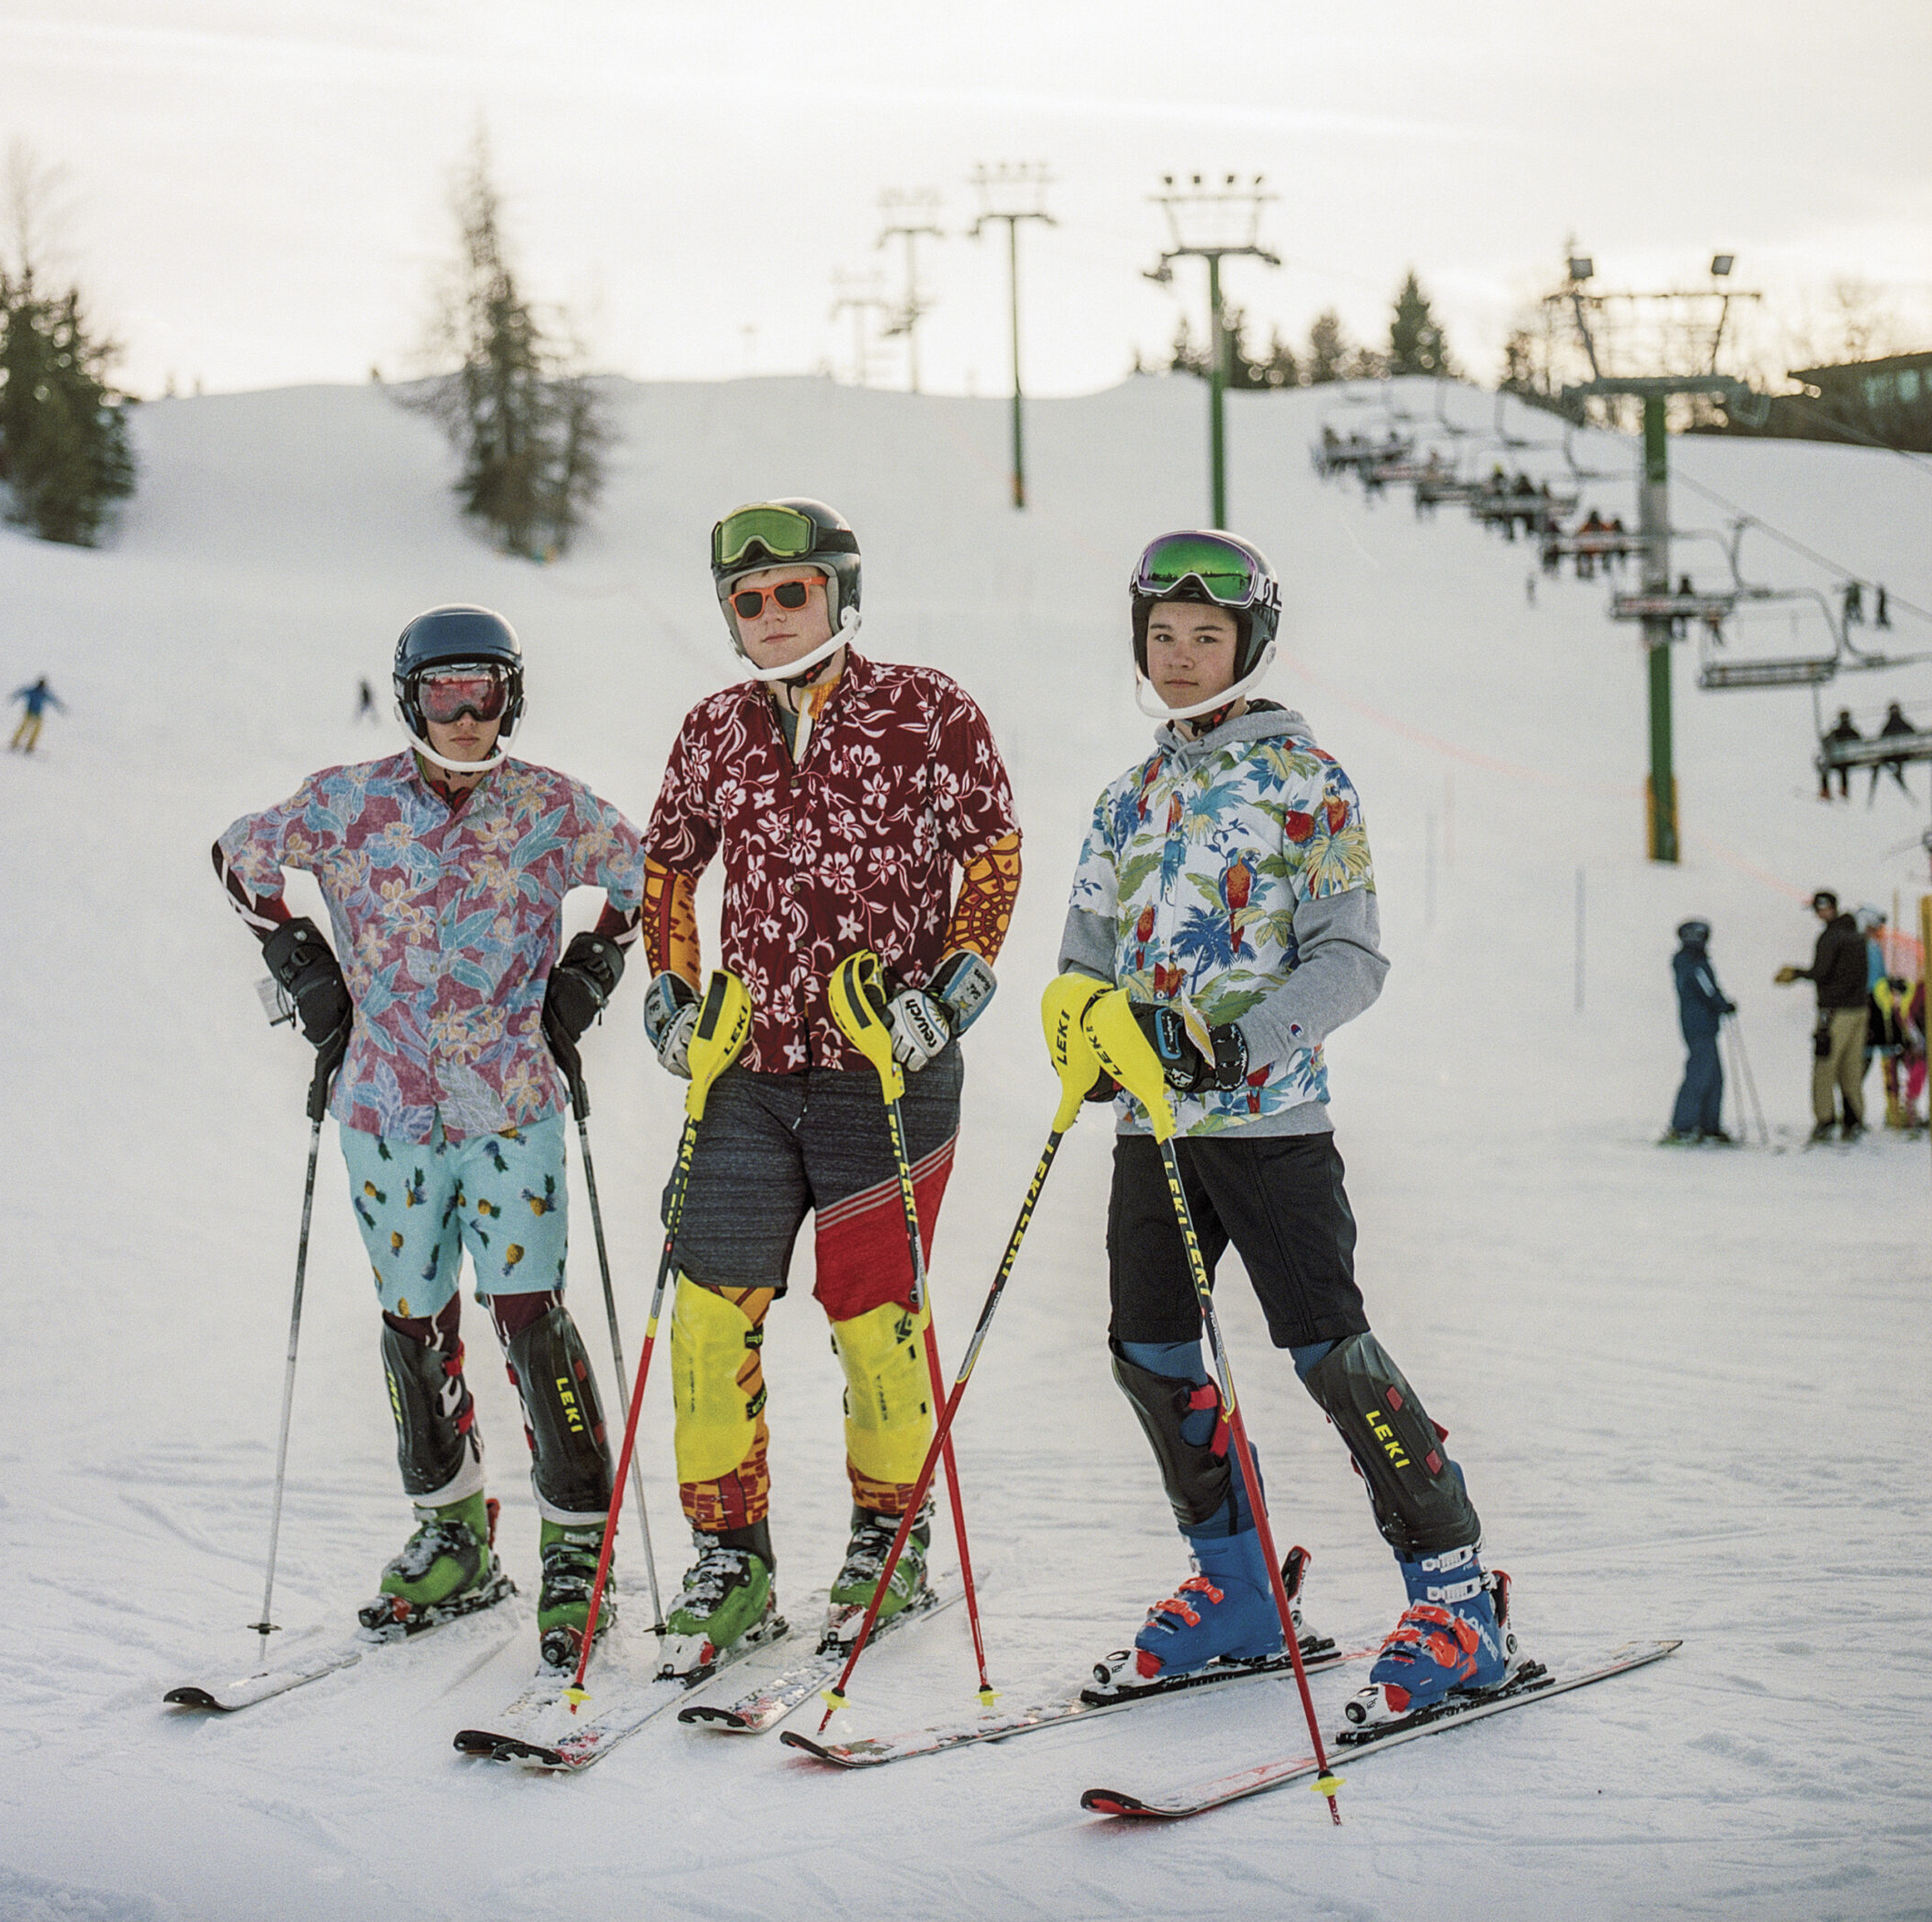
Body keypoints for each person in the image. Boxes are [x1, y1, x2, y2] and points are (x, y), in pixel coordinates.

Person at [1060, 529, 1511, 1720]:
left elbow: (1350, 959)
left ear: (1249, 644)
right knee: (1150, 1354)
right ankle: (1240, 1589)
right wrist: (1087, 1041)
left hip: (1269, 1124)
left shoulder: (1305, 784)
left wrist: (1227, 1040)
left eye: (1206, 637)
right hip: (1149, 1137)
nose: (1181, 657)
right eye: (1162, 637)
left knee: (1327, 1351)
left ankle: (1456, 1600)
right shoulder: (1126, 799)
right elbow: (1081, 962)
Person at [213, 606, 645, 1667]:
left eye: (484, 691)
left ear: (513, 693)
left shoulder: (550, 807)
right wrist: (304, 967)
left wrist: (588, 973)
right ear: (410, 696)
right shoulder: (348, 801)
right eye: (444, 693)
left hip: (508, 1107)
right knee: (413, 1324)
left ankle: (578, 1548)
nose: (464, 714)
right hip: (386, 1110)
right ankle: (451, 1532)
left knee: (527, 1318)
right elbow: (238, 853)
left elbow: (644, 877)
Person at [637, 499, 1022, 1675]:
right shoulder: (711, 730)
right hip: (748, 1073)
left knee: (871, 1321)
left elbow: (993, 853)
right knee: (707, 1319)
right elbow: (666, 866)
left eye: (789, 593)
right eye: (746, 602)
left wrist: (945, 997)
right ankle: (731, 1559)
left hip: (882, 1070)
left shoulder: (927, 709)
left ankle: (884, 1546)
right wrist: (672, 998)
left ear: (839, 595)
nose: (766, 616)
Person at [1774, 890, 1868, 1140]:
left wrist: (1796, 974)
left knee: (1825, 1065)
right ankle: (1854, 1118)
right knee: (1851, 1066)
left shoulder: (1830, 937)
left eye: (1819, 909)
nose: (1818, 914)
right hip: (1859, 1009)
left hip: (1834, 1011)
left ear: (1827, 908)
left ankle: (1825, 1120)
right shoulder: (1857, 935)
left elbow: (1821, 972)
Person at [1660, 920, 1735, 1145]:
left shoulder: (1688, 960)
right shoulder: (1693, 962)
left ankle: (1708, 1125)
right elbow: (1706, 989)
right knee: (1700, 1075)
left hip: (1701, 1025)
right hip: (1699, 1025)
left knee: (1713, 1075)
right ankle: (1683, 1126)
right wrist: (1722, 1004)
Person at [1872, 964, 1925, 1130]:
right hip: (1891, 1044)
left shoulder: (1915, 993)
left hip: (1910, 1044)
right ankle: (1896, 1111)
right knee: (1892, 1078)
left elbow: (1911, 1018)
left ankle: (1908, 1109)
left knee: (1915, 1072)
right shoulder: (1880, 998)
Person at [7, 675, 64, 753]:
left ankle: (30, 745)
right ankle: (15, 742)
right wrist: (14, 697)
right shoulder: (32, 691)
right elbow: (21, 692)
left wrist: (60, 707)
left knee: (36, 730)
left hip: (38, 714)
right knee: (24, 727)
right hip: (30, 712)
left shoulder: (44, 693)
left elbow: (53, 700)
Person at [1874, 702, 1917, 802]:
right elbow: (1882, 736)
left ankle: (1898, 774)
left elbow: (1912, 732)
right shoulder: (1891, 723)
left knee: (1898, 759)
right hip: (1894, 752)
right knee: (1886, 760)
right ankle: (1898, 775)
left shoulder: (1899, 722)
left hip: (1901, 751)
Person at [1818, 710, 1862, 803]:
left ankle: (1826, 791)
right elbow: (1859, 741)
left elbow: (1826, 741)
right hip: (1845, 758)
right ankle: (1843, 790)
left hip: (1839, 759)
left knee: (1827, 770)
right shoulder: (1851, 731)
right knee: (1842, 770)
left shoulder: (1837, 731)